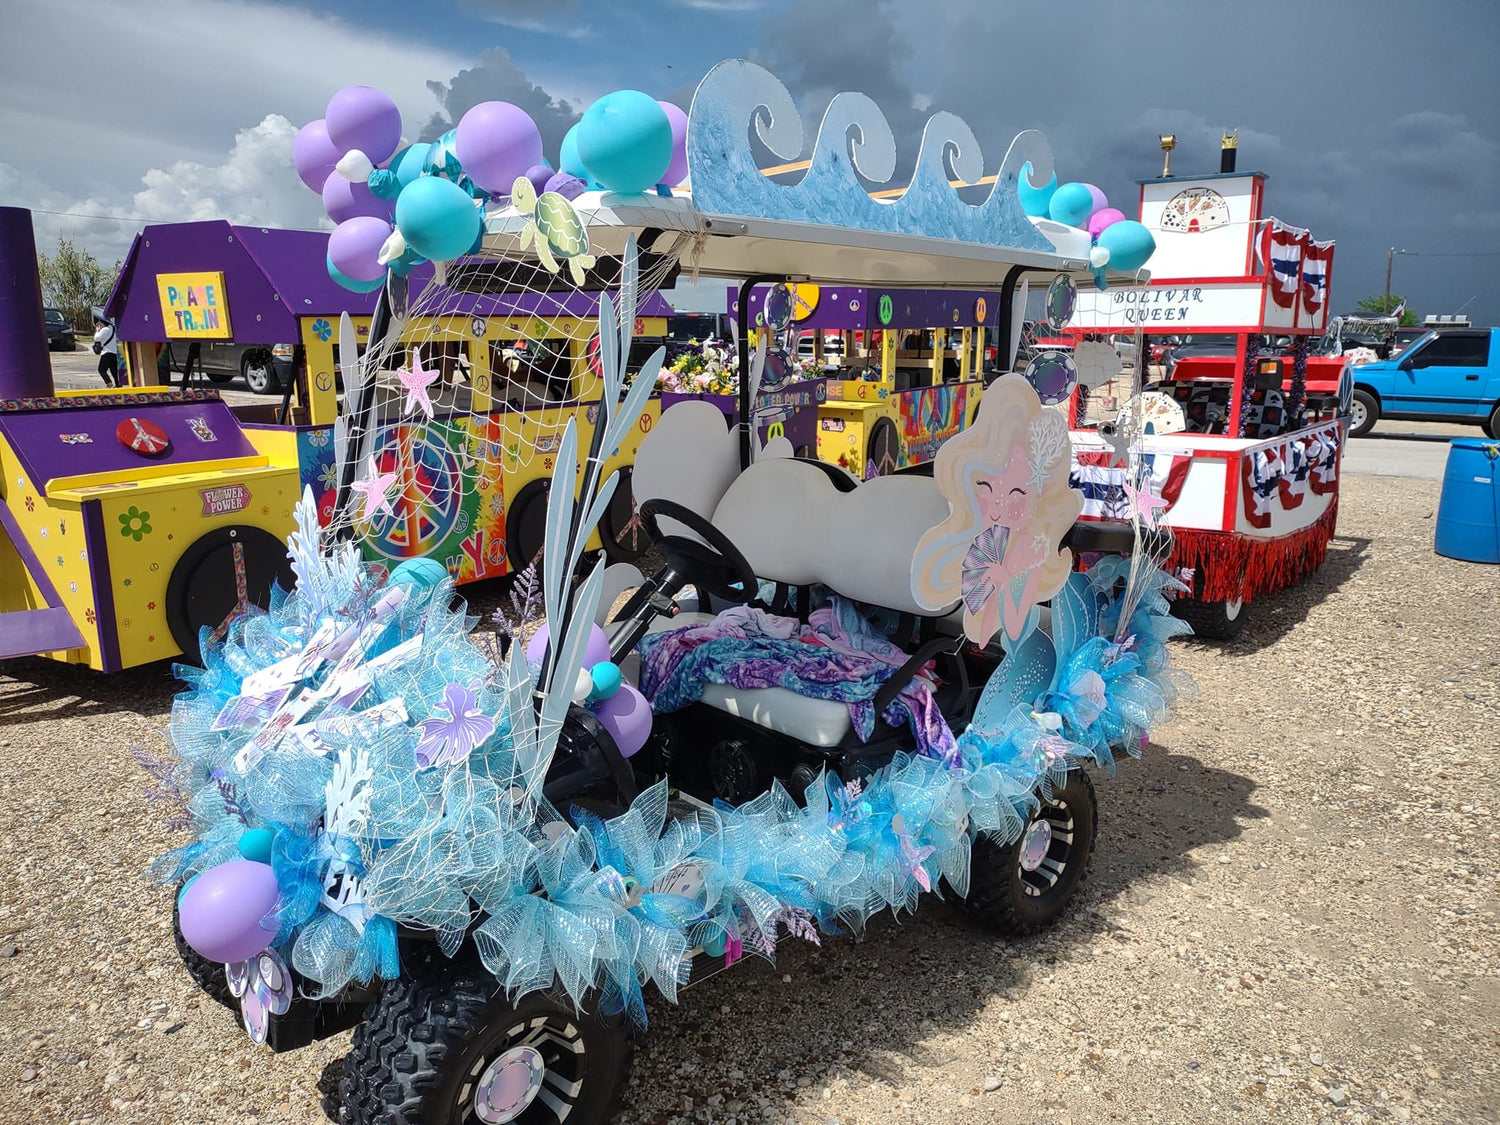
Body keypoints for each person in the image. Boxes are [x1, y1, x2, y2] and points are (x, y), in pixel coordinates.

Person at [91, 315, 119, 388]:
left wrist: (97, 331)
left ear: (103, 323)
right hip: (115, 353)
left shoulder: (105, 330)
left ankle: (109, 383)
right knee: (114, 371)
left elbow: (96, 338)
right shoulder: (113, 328)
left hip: (107, 352)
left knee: (101, 369)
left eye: (100, 323)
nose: (99, 325)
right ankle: (118, 384)